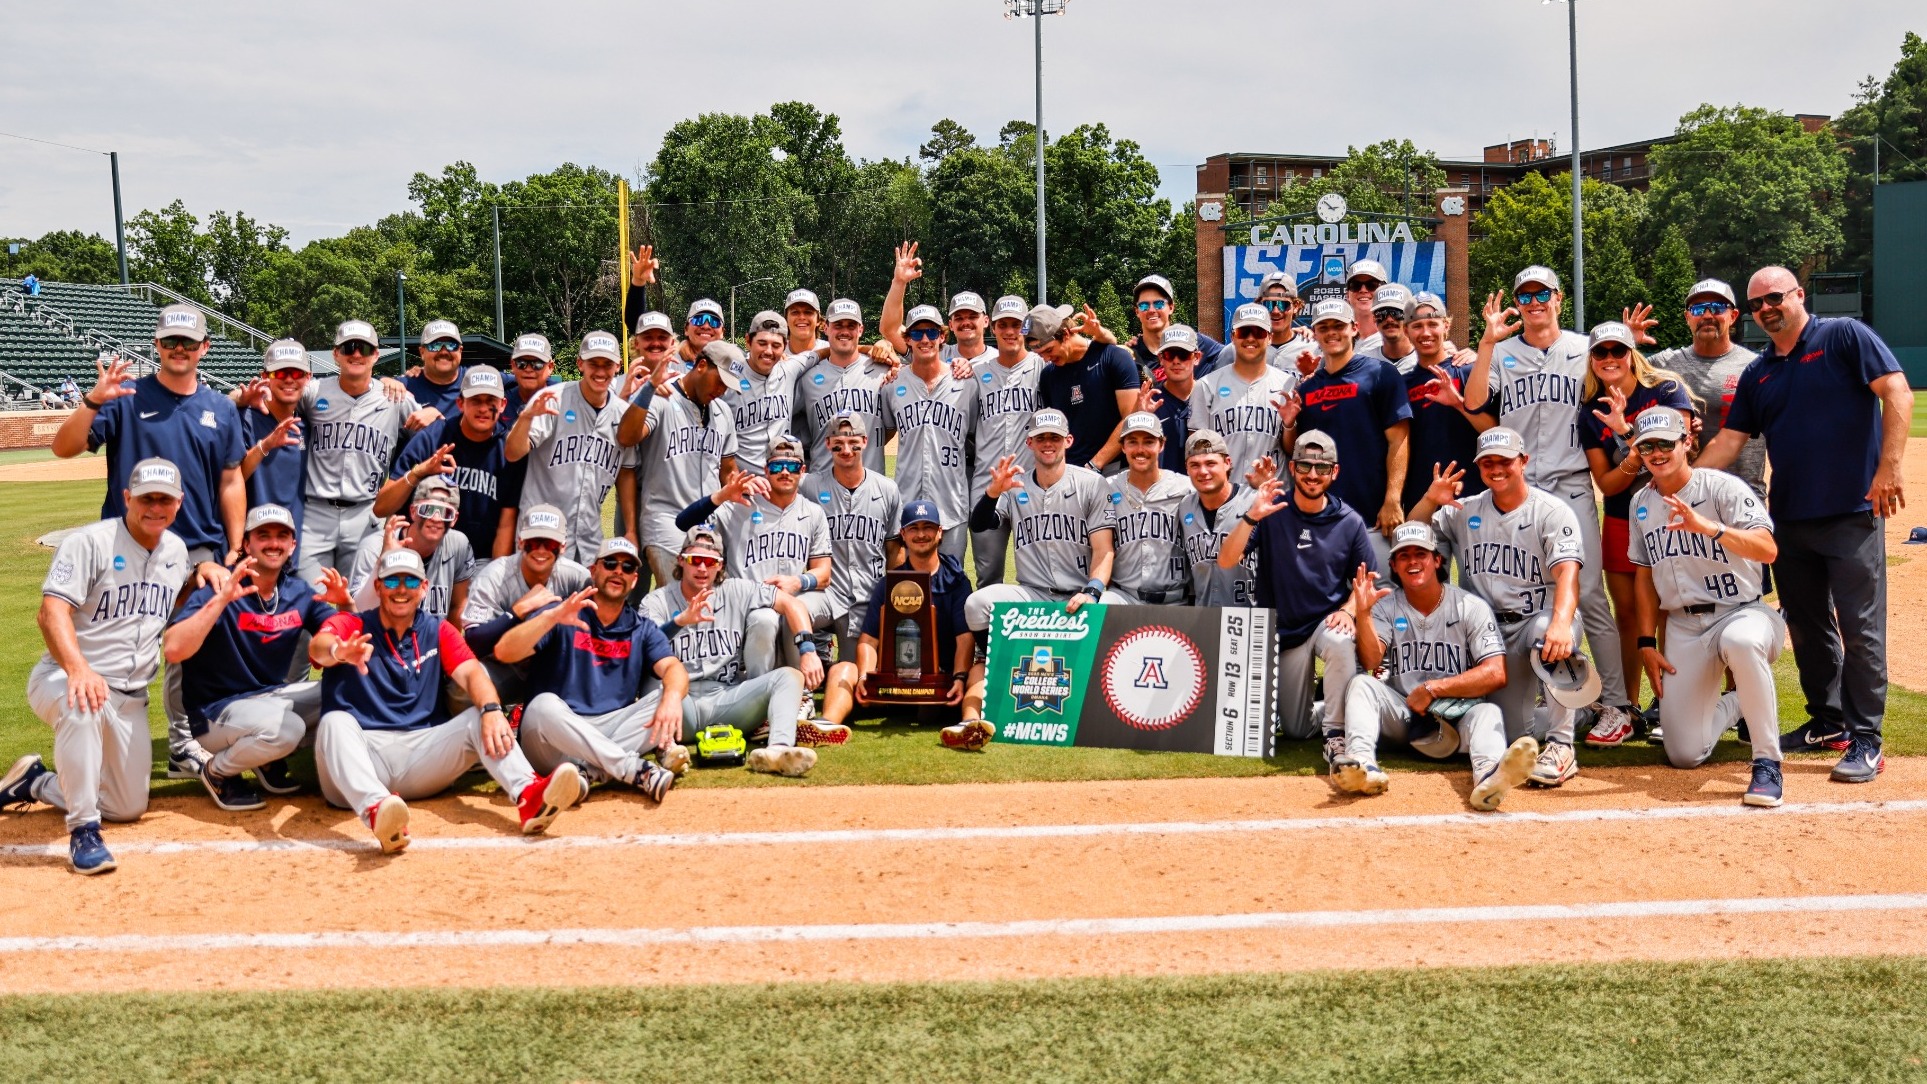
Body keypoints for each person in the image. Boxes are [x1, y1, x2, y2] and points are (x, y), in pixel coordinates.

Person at [1696, 265, 1912, 783]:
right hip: (1790, 519)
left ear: (1798, 295)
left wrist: (1889, 467)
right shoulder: (1760, 372)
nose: (1766, 309)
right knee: (1807, 626)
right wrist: (1680, 485)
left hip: (1851, 512)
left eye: (1774, 297)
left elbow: (1897, 391)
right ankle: (1828, 722)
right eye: (1757, 304)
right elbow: (1730, 440)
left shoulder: (1843, 336)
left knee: (1860, 627)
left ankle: (1866, 738)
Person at [54, 306, 248, 785]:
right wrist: (93, 401)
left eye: (189, 342)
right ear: (156, 346)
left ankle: (182, 744)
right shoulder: (125, 397)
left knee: (190, 649)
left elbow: (230, 479)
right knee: (119, 642)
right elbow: (64, 447)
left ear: (204, 348)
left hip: (198, 546)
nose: (179, 349)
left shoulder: (221, 408)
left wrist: (233, 545)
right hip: (128, 546)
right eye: (170, 341)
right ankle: (100, 732)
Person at [310, 547, 582, 853]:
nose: (401, 590)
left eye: (411, 581)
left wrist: (492, 710)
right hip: (358, 763)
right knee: (333, 722)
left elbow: (473, 673)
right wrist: (339, 652)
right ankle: (377, 810)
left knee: (480, 715)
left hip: (420, 754)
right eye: (392, 581)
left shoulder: (438, 629)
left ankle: (530, 795)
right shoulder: (353, 625)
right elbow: (319, 646)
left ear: (424, 588)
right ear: (378, 586)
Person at [1462, 266, 1632, 738]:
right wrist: (1486, 343)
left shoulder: (1583, 348)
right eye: (1525, 296)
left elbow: (1623, 375)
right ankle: (1548, 691)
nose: (1534, 302)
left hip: (1570, 484)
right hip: (1516, 488)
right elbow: (1474, 403)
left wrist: (1630, 345)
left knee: (1588, 594)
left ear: (1559, 298)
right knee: (1524, 593)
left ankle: (1617, 703)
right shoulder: (1502, 351)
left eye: (1542, 294)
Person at [1, 459, 192, 874]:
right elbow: (50, 613)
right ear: (127, 498)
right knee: (83, 704)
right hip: (63, 676)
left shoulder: (177, 552)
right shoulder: (89, 543)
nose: (154, 507)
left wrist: (203, 573)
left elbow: (175, 598)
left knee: (126, 807)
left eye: (164, 499)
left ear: (179, 503)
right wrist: (78, 668)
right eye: (145, 498)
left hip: (129, 698)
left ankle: (35, 782)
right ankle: (84, 831)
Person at [1627, 407, 1787, 805]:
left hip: (1742, 612)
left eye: (1666, 443)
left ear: (1686, 443)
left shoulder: (1722, 488)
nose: (1657, 453)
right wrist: (1646, 641)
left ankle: (1767, 763)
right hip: (1684, 627)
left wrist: (1709, 527)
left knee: (1741, 642)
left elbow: (1768, 549)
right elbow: (1644, 575)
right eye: (1647, 446)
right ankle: (1739, 702)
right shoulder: (1640, 504)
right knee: (1684, 754)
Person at [1412, 427, 1587, 788]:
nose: (1496, 469)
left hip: (1537, 622)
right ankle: (1580, 712)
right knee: (1512, 733)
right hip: (1490, 640)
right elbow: (1410, 537)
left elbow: (1568, 574)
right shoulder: (1464, 511)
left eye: (1505, 461)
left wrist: (1561, 623)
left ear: (1523, 462)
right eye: (1487, 462)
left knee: (1547, 631)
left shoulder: (1551, 512)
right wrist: (1430, 501)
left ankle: (1562, 745)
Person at [1334, 521, 1532, 810]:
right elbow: (1371, 661)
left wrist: (1434, 688)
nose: (1413, 561)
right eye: (1404, 556)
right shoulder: (1386, 607)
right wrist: (1363, 614)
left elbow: (1496, 673)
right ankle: (1363, 765)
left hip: (1457, 718)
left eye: (1421, 554)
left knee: (1487, 712)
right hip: (1404, 716)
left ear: (1437, 560)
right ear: (1394, 565)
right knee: (1361, 684)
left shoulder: (1470, 607)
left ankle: (1489, 777)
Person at [164, 504, 346, 810]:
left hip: (267, 699)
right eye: (263, 535)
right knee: (288, 729)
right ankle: (217, 771)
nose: (273, 543)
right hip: (214, 713)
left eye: (281, 536)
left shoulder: (298, 592)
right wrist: (220, 602)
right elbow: (173, 649)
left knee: (346, 691)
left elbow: (344, 639)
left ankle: (264, 758)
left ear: (293, 545)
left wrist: (346, 607)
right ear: (247, 544)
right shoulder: (221, 586)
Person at [495, 538, 685, 803]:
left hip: (608, 730)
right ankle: (631, 768)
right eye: (610, 563)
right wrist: (550, 618)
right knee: (542, 706)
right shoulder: (563, 612)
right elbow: (504, 652)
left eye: (627, 567)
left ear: (634, 579)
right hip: (554, 737)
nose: (618, 571)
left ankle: (586, 774)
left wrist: (672, 698)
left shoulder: (642, 628)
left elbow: (673, 667)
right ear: (593, 570)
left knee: (668, 696)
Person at [1216, 430, 1371, 752]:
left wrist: (1347, 611)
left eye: (1322, 467)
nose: (1313, 475)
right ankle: (1337, 706)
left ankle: (1337, 733)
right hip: (1285, 631)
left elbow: (1366, 581)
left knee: (1341, 638)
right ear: (1292, 468)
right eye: (1304, 466)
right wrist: (1251, 516)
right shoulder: (1271, 510)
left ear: (1334, 472)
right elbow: (1227, 560)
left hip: (1326, 622)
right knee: (1297, 729)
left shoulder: (1350, 521)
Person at [1577, 322, 1693, 746]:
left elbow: (1679, 455)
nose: (1610, 358)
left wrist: (1627, 434)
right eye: (1601, 351)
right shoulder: (1590, 409)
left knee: (1669, 611)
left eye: (1618, 350)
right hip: (1622, 517)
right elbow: (1608, 485)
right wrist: (1632, 453)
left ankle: (1670, 703)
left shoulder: (1665, 390)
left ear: (1631, 354)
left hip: (1671, 514)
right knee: (1627, 614)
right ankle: (1627, 707)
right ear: (1592, 359)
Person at [634, 528, 836, 773]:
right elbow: (644, 647)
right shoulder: (657, 601)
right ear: (681, 560)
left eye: (710, 562)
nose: (702, 568)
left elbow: (791, 603)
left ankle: (778, 750)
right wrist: (678, 622)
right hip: (678, 705)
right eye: (695, 560)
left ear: (720, 565)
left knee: (788, 676)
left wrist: (808, 650)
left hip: (727, 700)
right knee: (653, 677)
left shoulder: (737, 590)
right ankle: (667, 749)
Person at [821, 501, 983, 750]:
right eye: (914, 528)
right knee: (842, 668)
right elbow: (868, 641)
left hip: (941, 687)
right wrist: (865, 677)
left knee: (980, 670)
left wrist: (960, 678)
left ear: (940, 532)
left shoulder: (956, 580)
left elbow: (964, 639)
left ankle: (969, 726)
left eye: (928, 527)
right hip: (892, 687)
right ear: (903, 535)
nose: (921, 534)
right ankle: (826, 726)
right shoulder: (889, 583)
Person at [676, 435, 833, 678]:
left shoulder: (813, 513)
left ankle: (801, 688)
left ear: (802, 471)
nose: (784, 472)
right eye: (777, 466)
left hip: (791, 600)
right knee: (764, 618)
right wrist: (722, 495)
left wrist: (798, 581)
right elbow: (683, 523)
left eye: (791, 466)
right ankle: (757, 686)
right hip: (747, 603)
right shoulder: (740, 505)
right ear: (765, 470)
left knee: (796, 608)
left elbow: (824, 574)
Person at [963, 409, 1125, 638]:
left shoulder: (1091, 484)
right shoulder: (1015, 485)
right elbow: (980, 525)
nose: (1048, 444)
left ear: (1068, 441)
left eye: (1055, 437)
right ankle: (995, 659)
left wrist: (1092, 592)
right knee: (976, 604)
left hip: (1080, 593)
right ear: (1029, 442)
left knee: (1116, 607)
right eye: (1041, 438)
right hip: (1032, 594)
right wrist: (992, 493)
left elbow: (1103, 549)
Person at [286, 319, 421, 583]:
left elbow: (433, 434)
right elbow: (271, 401)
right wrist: (237, 398)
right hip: (316, 512)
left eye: (365, 348)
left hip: (367, 512)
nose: (357, 354)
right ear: (336, 354)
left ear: (376, 355)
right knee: (311, 597)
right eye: (349, 348)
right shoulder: (313, 392)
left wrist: (430, 412)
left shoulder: (395, 397)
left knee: (363, 596)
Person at [1292, 298, 1412, 569]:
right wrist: (1288, 424)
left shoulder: (1381, 373)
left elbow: (1399, 440)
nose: (1331, 333)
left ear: (1354, 328)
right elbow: (1296, 450)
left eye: (1339, 326)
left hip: (1372, 517)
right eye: (1324, 328)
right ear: (1315, 333)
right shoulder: (1307, 389)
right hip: (1322, 519)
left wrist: (1392, 499)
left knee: (1375, 592)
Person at [507, 330, 637, 564]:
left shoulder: (622, 413)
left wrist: (631, 530)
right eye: (593, 363)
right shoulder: (554, 398)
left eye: (607, 364)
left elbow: (626, 472)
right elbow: (513, 453)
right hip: (541, 533)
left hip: (590, 534)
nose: (600, 371)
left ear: (618, 366)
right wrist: (526, 418)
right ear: (580, 364)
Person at [625, 339, 739, 589]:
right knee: (681, 594)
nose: (722, 390)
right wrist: (649, 388)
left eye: (728, 386)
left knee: (710, 602)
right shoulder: (661, 398)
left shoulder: (722, 411)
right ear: (701, 365)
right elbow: (627, 436)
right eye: (720, 381)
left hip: (708, 525)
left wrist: (740, 487)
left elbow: (728, 469)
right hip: (665, 519)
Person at [380, 366, 524, 561]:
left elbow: (505, 526)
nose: (483, 408)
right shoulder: (433, 437)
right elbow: (381, 508)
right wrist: (419, 472)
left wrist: (496, 574)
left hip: (480, 561)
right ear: (460, 403)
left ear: (503, 404)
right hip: (421, 553)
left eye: (491, 401)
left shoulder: (508, 450)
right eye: (475, 400)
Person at [1640, 281, 1765, 498]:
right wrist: (1628, 341)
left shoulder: (1755, 367)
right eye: (1698, 309)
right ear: (1687, 317)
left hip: (1741, 496)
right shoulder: (1665, 364)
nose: (1707, 315)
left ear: (1733, 316)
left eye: (1717, 308)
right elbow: (1612, 375)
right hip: (1680, 495)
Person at [460, 504, 591, 705]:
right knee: (463, 687)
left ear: (563, 547)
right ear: (520, 542)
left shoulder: (578, 578)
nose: (541, 550)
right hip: (504, 667)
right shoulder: (494, 576)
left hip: (556, 668)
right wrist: (516, 611)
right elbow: (473, 643)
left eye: (550, 543)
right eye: (534, 542)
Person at [799, 415, 902, 668]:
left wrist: (891, 600)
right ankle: (799, 680)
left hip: (868, 597)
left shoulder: (887, 489)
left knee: (853, 672)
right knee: (791, 612)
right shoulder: (809, 486)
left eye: (853, 443)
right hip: (826, 594)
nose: (846, 450)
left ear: (865, 441)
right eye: (838, 444)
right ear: (827, 444)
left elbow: (894, 550)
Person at [882, 304, 978, 560]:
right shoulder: (893, 385)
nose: (925, 339)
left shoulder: (966, 383)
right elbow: (885, 433)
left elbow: (975, 435)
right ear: (907, 340)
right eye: (917, 333)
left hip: (951, 503)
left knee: (951, 577)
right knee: (907, 582)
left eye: (932, 332)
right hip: (907, 503)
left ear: (943, 337)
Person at [968, 294, 1045, 584]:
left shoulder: (1043, 368)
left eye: (1017, 324)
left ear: (1026, 327)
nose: (1010, 331)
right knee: (988, 576)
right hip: (987, 485)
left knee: (1038, 576)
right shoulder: (976, 374)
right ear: (993, 328)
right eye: (1003, 325)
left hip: (1032, 485)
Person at [1397, 292, 1488, 514]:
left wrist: (1458, 403)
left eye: (1432, 324)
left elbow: (1493, 430)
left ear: (1446, 326)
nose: (1425, 332)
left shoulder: (1468, 371)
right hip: (1421, 499)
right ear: (1406, 331)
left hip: (1471, 495)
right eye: (1417, 326)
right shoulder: (1400, 385)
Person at [1190, 303, 1299, 475]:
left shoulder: (1288, 385)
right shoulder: (1206, 386)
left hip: (1274, 487)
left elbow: (1293, 452)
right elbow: (1197, 451)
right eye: (1243, 332)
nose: (1250, 338)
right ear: (1233, 337)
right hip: (1226, 488)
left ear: (1270, 337)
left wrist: (1289, 425)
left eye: (1258, 332)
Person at [1030, 304, 1140, 473]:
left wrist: (1095, 465)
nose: (1046, 358)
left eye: (1049, 350)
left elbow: (1131, 418)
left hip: (1113, 470)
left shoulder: (1114, 357)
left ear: (1066, 334)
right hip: (1068, 472)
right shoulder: (1048, 376)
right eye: (1040, 354)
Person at [348, 479, 474, 622]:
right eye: (427, 509)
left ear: (454, 519)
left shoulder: (458, 545)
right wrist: (382, 561)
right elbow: (357, 612)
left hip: (430, 634)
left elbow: (458, 606)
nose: (436, 518)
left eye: (446, 513)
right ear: (413, 512)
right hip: (379, 634)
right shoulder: (374, 546)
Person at [794, 298, 889, 474]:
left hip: (870, 480)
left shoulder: (882, 371)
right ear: (825, 328)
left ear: (860, 330)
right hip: (822, 481)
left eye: (851, 326)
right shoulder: (808, 377)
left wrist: (888, 346)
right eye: (838, 325)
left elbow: (890, 428)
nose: (844, 331)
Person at [1106, 412, 1191, 605]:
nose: (1140, 449)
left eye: (1148, 442)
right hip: (1124, 596)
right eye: (1132, 442)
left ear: (1162, 444)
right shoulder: (1107, 488)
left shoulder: (1185, 487)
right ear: (1122, 447)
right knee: (1100, 605)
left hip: (1176, 600)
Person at [236, 340, 310, 538]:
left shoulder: (309, 424)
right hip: (252, 541)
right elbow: (231, 481)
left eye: (296, 373)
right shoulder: (244, 419)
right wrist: (265, 446)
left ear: (308, 377)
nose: (289, 380)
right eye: (280, 373)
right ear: (265, 377)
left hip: (294, 543)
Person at [1178, 430, 1260, 606]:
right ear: (1187, 468)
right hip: (1204, 615)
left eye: (1210, 463)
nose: (1203, 471)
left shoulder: (1254, 500)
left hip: (1251, 615)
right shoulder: (1185, 507)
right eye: (1194, 465)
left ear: (1227, 463)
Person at [724, 312, 811, 476]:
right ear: (748, 341)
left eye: (776, 345)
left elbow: (821, 353)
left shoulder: (789, 368)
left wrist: (863, 348)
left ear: (785, 346)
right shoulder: (728, 377)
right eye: (762, 343)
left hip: (782, 477)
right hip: (744, 481)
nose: (768, 351)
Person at [878, 243, 993, 366]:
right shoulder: (933, 352)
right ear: (951, 325)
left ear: (986, 321)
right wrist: (899, 282)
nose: (966, 322)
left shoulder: (1000, 359)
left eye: (973, 317)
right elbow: (890, 329)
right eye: (959, 318)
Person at [1129, 273, 1224, 375]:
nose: (1151, 310)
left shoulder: (1196, 343)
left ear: (1171, 307)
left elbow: (1231, 355)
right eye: (1144, 305)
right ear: (1137, 311)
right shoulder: (1128, 357)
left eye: (1159, 304)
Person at [404, 319, 465, 424]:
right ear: (422, 352)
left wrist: (440, 422)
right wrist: (384, 380)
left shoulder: (476, 384)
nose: (444, 351)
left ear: (460, 350)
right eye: (435, 345)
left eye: (451, 345)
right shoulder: (404, 387)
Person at [1259, 271, 1318, 375]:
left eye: (1283, 304)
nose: (1276, 311)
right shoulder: (1244, 348)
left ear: (1296, 306)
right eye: (1269, 304)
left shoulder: (1313, 348)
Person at [500, 333, 563, 429]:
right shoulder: (499, 403)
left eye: (537, 364)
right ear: (513, 365)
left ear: (550, 367)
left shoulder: (565, 400)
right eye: (521, 363)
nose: (528, 369)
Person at [1344, 258, 1390, 353]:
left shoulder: (1398, 339)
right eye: (1355, 285)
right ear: (1347, 295)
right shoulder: (1333, 340)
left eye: (1372, 285)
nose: (1363, 290)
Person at [782, 288, 827, 357]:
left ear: (818, 320)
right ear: (786, 320)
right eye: (795, 312)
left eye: (808, 312)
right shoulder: (774, 355)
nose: (801, 317)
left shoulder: (833, 354)